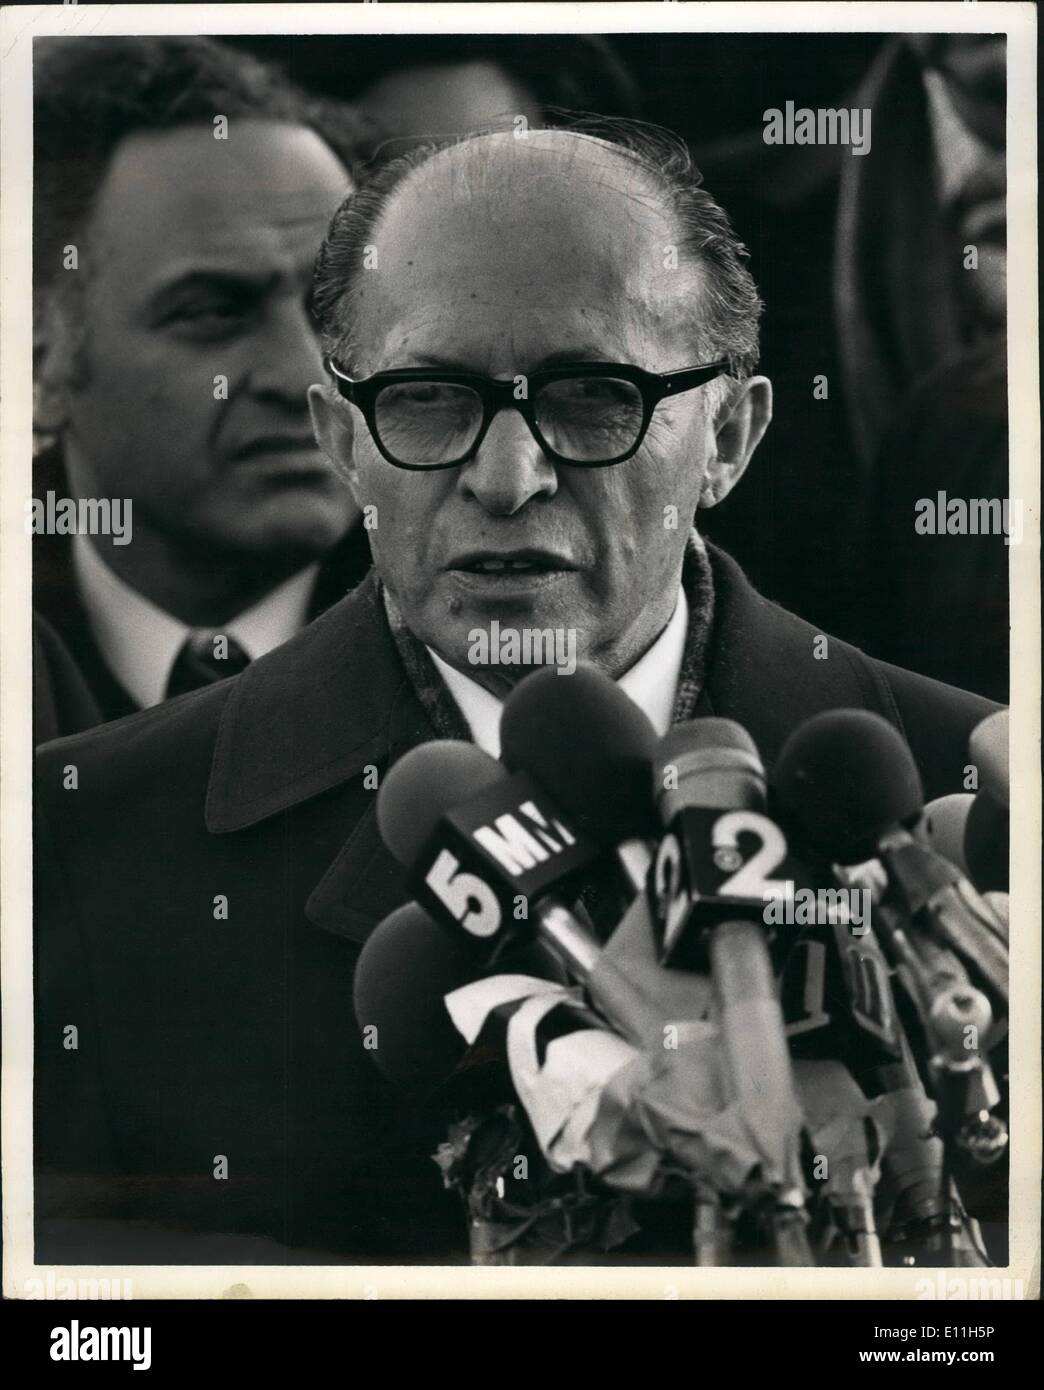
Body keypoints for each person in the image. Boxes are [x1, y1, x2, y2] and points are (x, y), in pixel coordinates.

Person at [35, 120, 999, 1265]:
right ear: (343, 442)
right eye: (430, 400)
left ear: (731, 437)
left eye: (595, 397)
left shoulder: (975, 813)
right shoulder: (72, 852)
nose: (505, 477)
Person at [31, 38, 371, 740]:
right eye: (215, 312)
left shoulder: (483, 641)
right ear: (42, 359)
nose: (308, 379)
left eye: (336, 309)